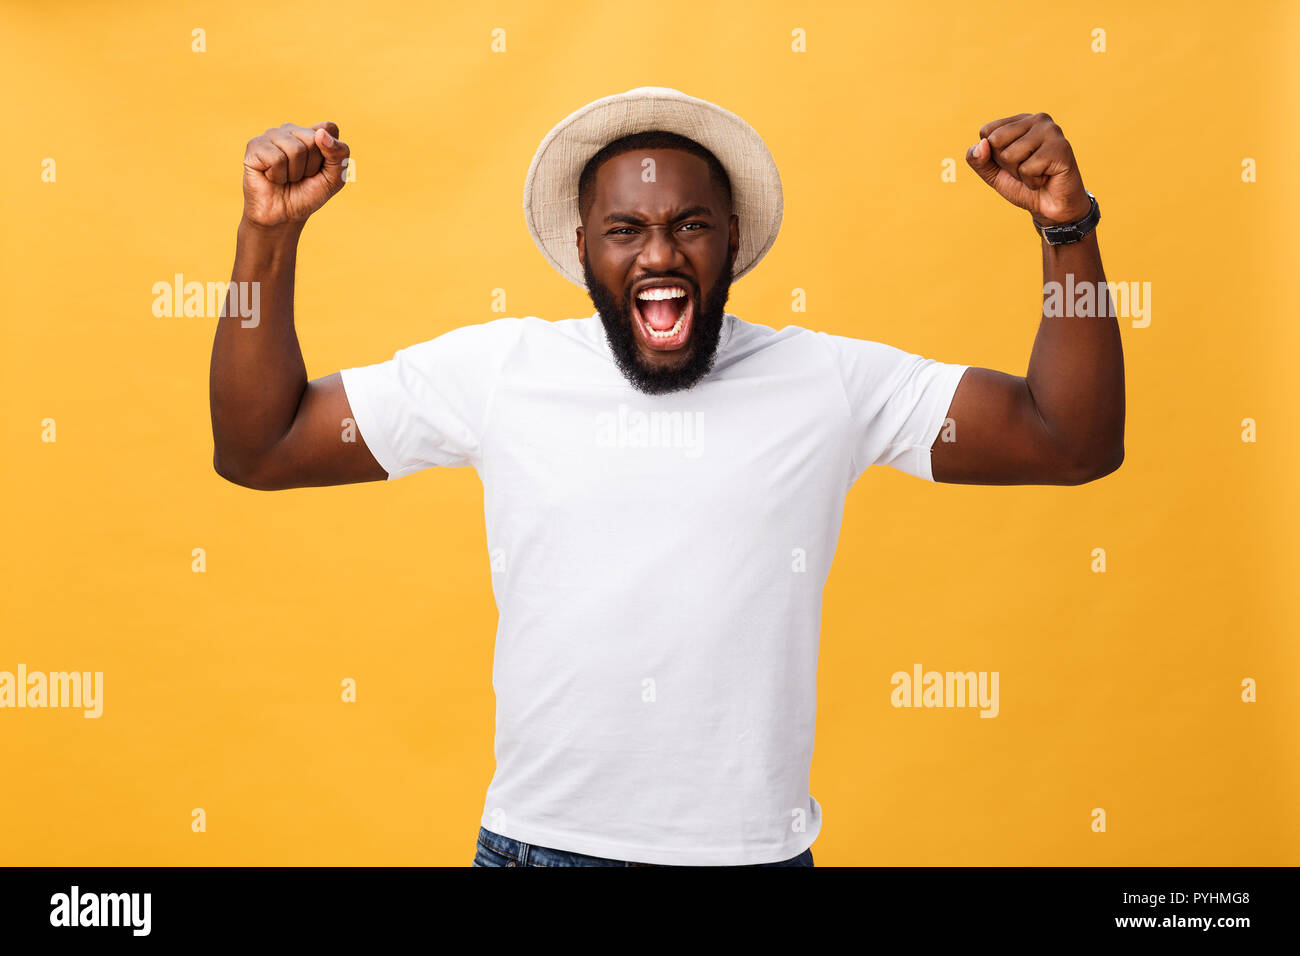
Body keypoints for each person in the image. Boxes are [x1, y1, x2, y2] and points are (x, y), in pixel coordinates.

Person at [209, 87, 1124, 867]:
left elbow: (1069, 440)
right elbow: (262, 446)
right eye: (625, 230)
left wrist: (1066, 227)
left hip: (751, 857)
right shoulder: (499, 371)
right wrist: (266, 235)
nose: (658, 254)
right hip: (541, 849)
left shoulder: (828, 382)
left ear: (732, 240)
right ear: (582, 250)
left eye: (690, 225)